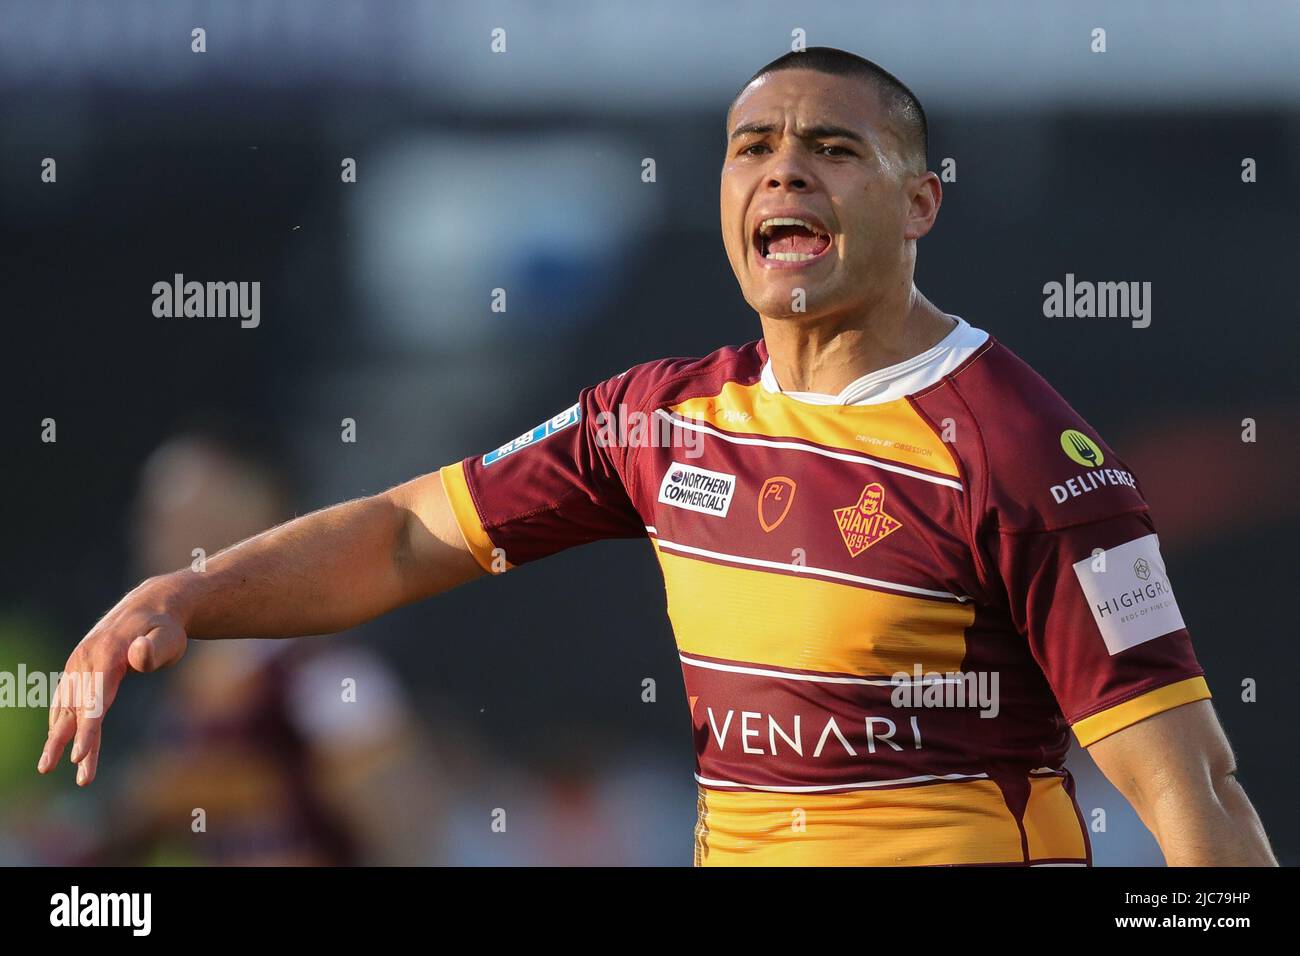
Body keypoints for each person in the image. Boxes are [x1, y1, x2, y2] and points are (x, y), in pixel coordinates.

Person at [40, 47, 1275, 866]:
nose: (784, 164)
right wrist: (186, 593)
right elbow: (405, 533)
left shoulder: (1022, 451)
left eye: (834, 147)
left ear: (920, 203)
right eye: (754, 145)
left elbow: (1193, 791)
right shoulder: (656, 418)